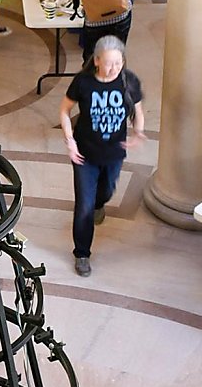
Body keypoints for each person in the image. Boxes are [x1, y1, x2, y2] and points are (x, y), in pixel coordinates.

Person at [59, 35, 144, 277]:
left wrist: (138, 132)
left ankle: (99, 204)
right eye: (108, 63)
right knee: (84, 205)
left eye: (118, 63)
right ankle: (82, 254)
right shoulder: (83, 82)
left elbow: (138, 111)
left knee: (106, 191)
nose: (114, 68)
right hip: (84, 155)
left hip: (113, 153)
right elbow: (64, 110)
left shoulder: (128, 81)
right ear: (96, 61)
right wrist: (70, 141)